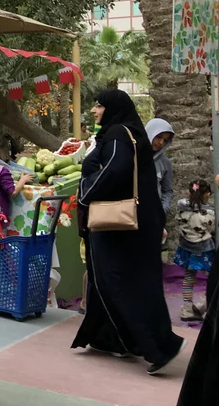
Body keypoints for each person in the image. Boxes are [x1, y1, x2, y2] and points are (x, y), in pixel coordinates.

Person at [72, 90, 184, 374]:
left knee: (119, 281)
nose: (95, 110)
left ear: (112, 109)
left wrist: (85, 193)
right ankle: (111, 338)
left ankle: (157, 346)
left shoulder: (118, 135)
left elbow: (114, 170)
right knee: (119, 280)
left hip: (119, 227)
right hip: (133, 224)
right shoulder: (128, 134)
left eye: (99, 106)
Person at [174, 180, 215, 322]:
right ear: (207, 194)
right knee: (212, 277)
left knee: (189, 277)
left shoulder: (181, 209)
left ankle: (187, 309)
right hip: (204, 249)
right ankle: (205, 305)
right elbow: (212, 229)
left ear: (188, 192)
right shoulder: (209, 213)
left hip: (186, 247)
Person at [145, 118, 175, 215]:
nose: (161, 142)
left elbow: (167, 191)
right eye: (158, 137)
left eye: (165, 140)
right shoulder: (131, 157)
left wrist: (161, 212)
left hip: (153, 217)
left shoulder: (165, 163)